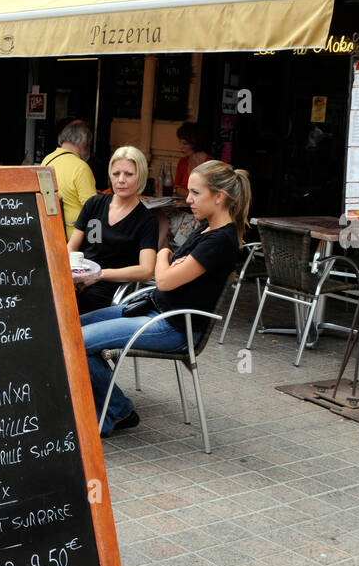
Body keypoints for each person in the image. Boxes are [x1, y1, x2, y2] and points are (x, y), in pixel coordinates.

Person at [81, 159, 249, 435]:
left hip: (174, 327)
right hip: (155, 310)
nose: (188, 199)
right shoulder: (206, 228)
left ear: (219, 197)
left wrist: (162, 253)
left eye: (196, 193)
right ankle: (115, 409)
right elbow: (170, 275)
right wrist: (168, 261)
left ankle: (116, 411)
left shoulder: (220, 240)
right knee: (71, 330)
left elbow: (165, 279)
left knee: (76, 343)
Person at [68, 145, 157, 315]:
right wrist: (71, 275)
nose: (120, 180)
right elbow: (71, 246)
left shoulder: (146, 220)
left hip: (107, 288)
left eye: (129, 174)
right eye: (116, 173)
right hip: (77, 279)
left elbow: (146, 271)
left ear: (141, 176)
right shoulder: (94, 204)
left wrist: (99, 275)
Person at [42, 119, 97, 238]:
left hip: (50, 232)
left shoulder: (47, 160)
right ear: (84, 143)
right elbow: (93, 209)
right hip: (75, 238)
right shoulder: (81, 168)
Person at [173, 122, 212, 198]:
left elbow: (209, 194)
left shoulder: (211, 165)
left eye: (184, 143)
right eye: (180, 142)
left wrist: (184, 193)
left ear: (195, 143)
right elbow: (176, 188)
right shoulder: (183, 162)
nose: (180, 147)